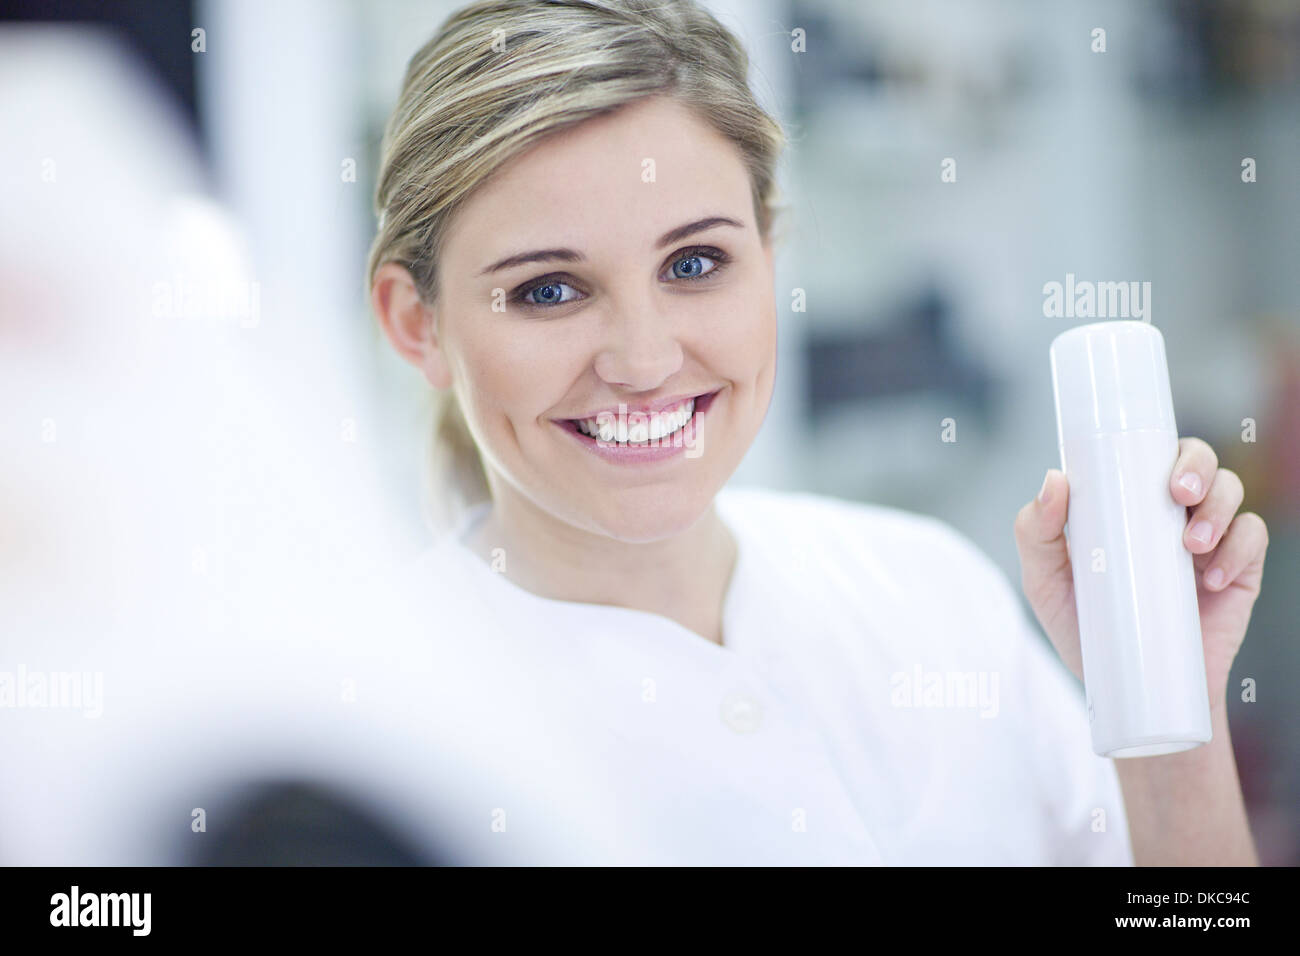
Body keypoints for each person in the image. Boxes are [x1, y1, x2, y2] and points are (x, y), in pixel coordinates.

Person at [369, 0, 1268, 865]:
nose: (641, 361)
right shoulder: (385, 719)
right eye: (548, 290)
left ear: (770, 256)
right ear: (417, 324)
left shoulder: (932, 591)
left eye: (694, 263)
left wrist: (1164, 704)